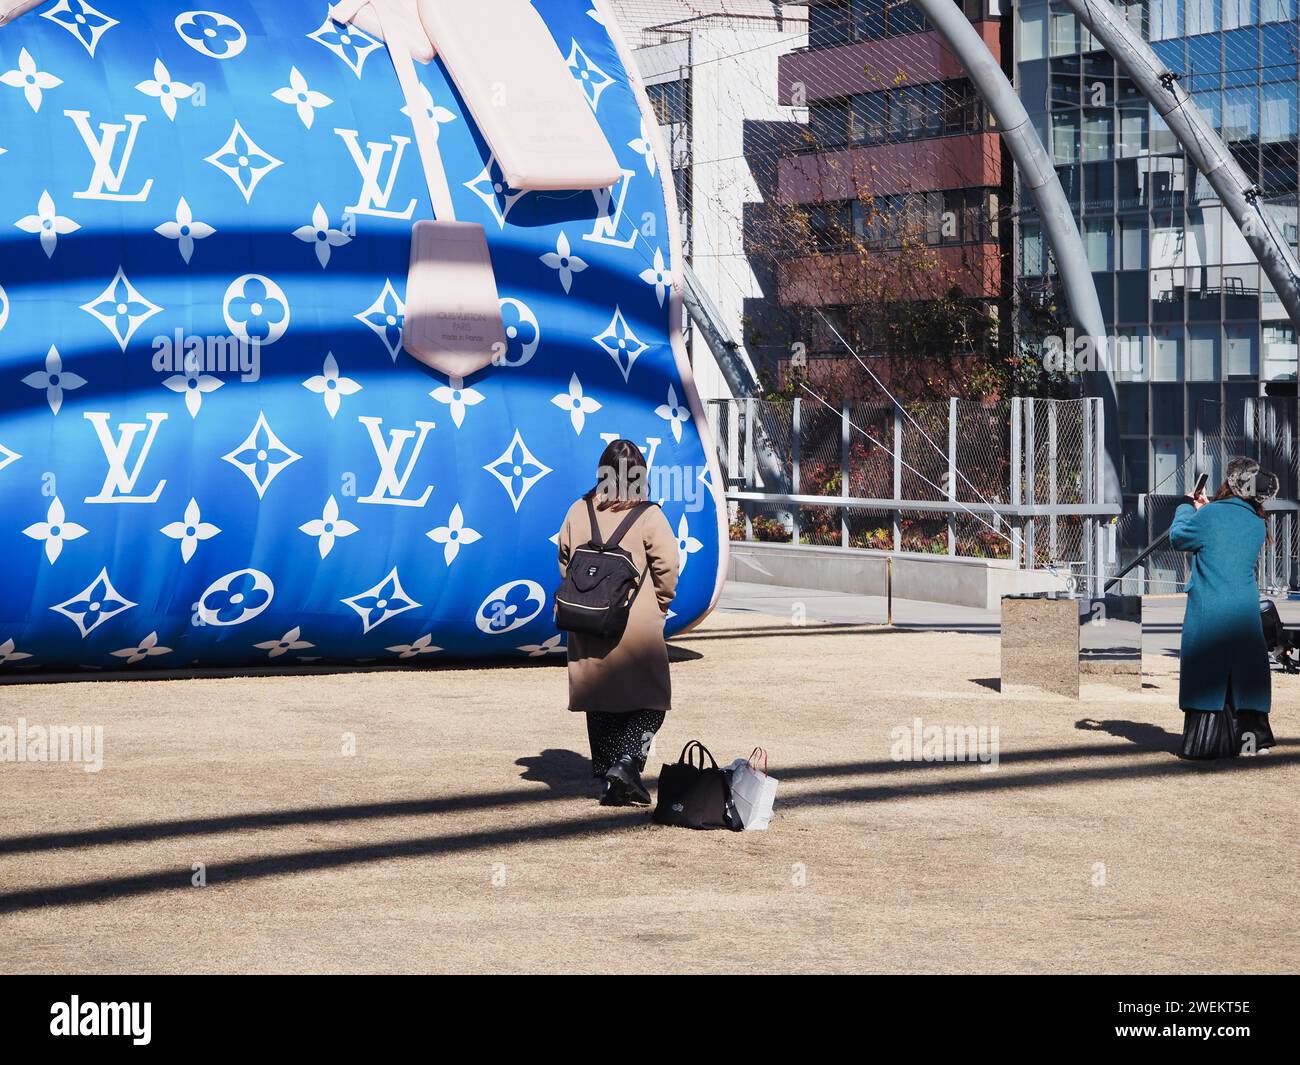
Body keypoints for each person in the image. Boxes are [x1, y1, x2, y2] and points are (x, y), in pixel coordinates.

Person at [557, 440, 679, 805]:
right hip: (634, 625)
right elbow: (668, 568)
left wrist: (586, 598)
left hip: (587, 619)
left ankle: (609, 776)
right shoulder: (648, 515)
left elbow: (564, 559)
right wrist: (659, 603)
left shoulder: (578, 510)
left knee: (600, 699)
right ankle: (628, 761)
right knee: (652, 703)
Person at [1169, 457, 1278, 759]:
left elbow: (1179, 538)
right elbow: (1224, 536)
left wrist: (1186, 507)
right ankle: (1252, 742)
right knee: (1244, 674)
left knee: (1208, 671)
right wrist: (1206, 510)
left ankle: (1207, 744)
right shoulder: (1257, 523)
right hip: (1243, 608)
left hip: (1210, 605)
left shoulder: (1210, 515)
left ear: (1229, 483)